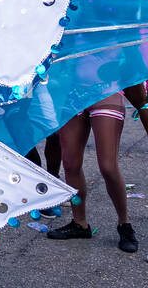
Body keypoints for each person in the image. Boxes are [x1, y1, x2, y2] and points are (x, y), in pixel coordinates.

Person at [45, 92, 139, 252]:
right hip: (73, 94)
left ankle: (125, 224)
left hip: (106, 92)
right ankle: (79, 223)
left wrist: (142, 101)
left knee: (108, 167)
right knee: (70, 164)